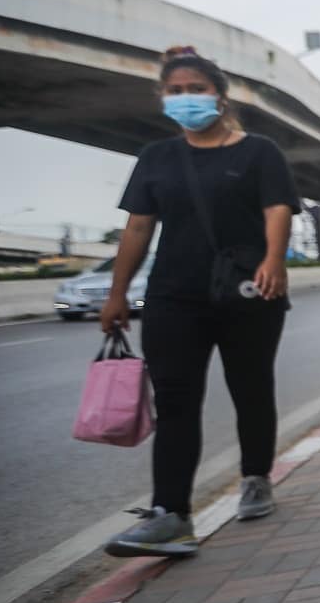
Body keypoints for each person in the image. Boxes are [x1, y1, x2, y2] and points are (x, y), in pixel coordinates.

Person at [100, 46, 300, 557]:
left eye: (196, 89)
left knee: (250, 388)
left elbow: (278, 208)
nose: (186, 98)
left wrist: (274, 259)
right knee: (175, 403)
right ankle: (171, 515)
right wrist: (117, 292)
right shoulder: (156, 158)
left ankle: (256, 478)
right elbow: (138, 228)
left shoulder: (258, 152)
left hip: (249, 293)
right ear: (164, 98)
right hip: (172, 297)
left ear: (219, 95)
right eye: (176, 91)